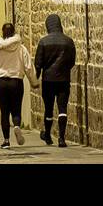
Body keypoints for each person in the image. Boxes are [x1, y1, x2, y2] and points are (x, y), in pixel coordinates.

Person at [0, 22, 31, 149]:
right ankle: (16, 126)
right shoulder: (21, 48)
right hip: (16, 81)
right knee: (16, 108)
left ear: (2, 32)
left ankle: (6, 140)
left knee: (4, 111)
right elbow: (28, 66)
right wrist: (33, 80)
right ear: (14, 32)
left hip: (1, 83)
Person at [34, 13, 77, 147]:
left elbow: (38, 63)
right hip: (63, 79)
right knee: (62, 108)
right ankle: (62, 138)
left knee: (49, 108)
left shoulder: (44, 42)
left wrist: (36, 76)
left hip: (48, 80)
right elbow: (72, 61)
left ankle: (47, 135)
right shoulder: (69, 41)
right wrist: (64, 70)